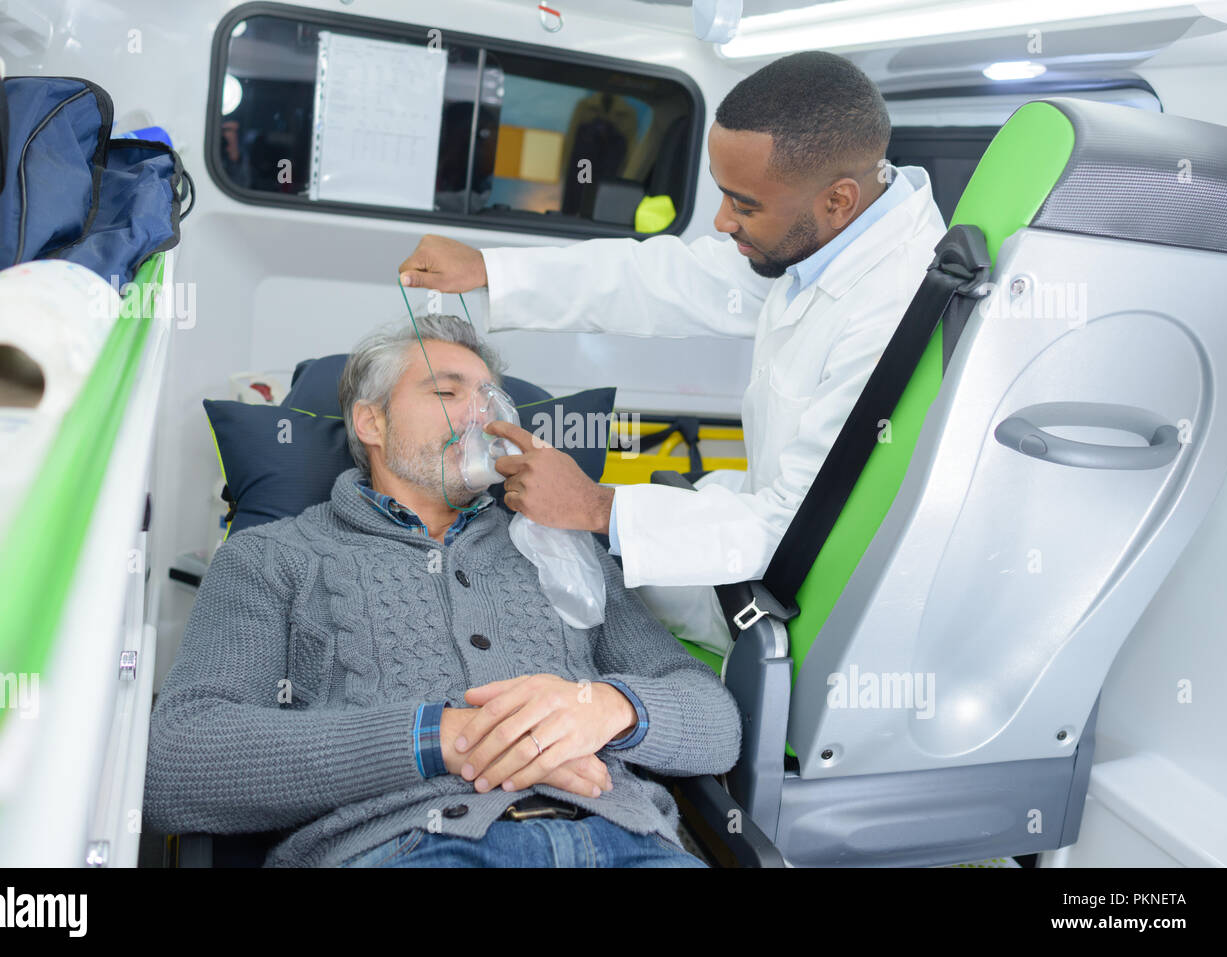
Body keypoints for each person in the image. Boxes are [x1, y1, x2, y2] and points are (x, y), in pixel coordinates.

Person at [397, 51, 947, 654]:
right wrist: (488, 270)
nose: (721, 220)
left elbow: (801, 525)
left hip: (793, 602)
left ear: (838, 200)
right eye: (722, 195)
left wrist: (597, 507)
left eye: (745, 204)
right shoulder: (828, 238)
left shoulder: (891, 313)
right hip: (743, 542)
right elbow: (668, 280)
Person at [142, 315, 742, 868]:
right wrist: (441, 738)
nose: (481, 415)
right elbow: (177, 763)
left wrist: (609, 708)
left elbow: (716, 722)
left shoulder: (564, 548)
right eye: (448, 392)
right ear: (371, 422)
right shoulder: (271, 558)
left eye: (490, 399)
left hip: (626, 843)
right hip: (412, 848)